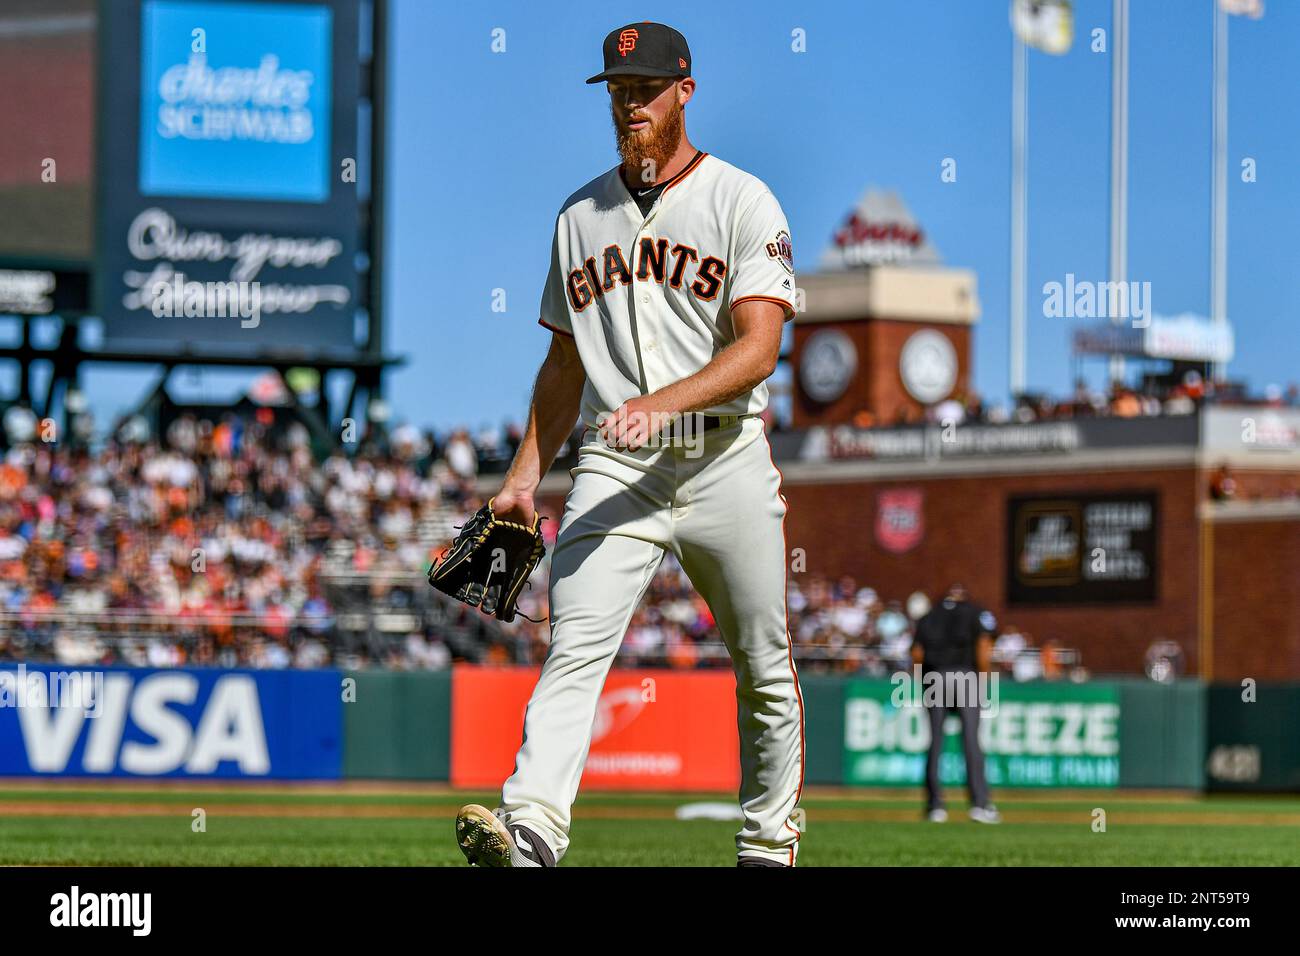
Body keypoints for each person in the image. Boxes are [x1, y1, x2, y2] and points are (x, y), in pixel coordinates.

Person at [454, 21, 804, 867]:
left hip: (722, 456)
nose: (629, 103)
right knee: (574, 644)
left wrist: (662, 401)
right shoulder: (579, 215)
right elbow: (564, 360)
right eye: (617, 90)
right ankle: (532, 825)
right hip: (618, 466)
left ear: (685, 90)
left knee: (762, 661)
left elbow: (761, 346)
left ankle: (767, 843)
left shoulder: (741, 199)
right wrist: (521, 478)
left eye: (644, 88)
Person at [911, 583, 1000, 824]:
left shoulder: (929, 615)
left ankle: (935, 806)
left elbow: (917, 653)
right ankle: (979, 804)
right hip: (966, 676)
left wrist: (924, 682)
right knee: (971, 741)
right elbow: (983, 645)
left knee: (935, 741)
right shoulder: (974, 611)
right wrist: (983, 679)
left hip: (934, 676)